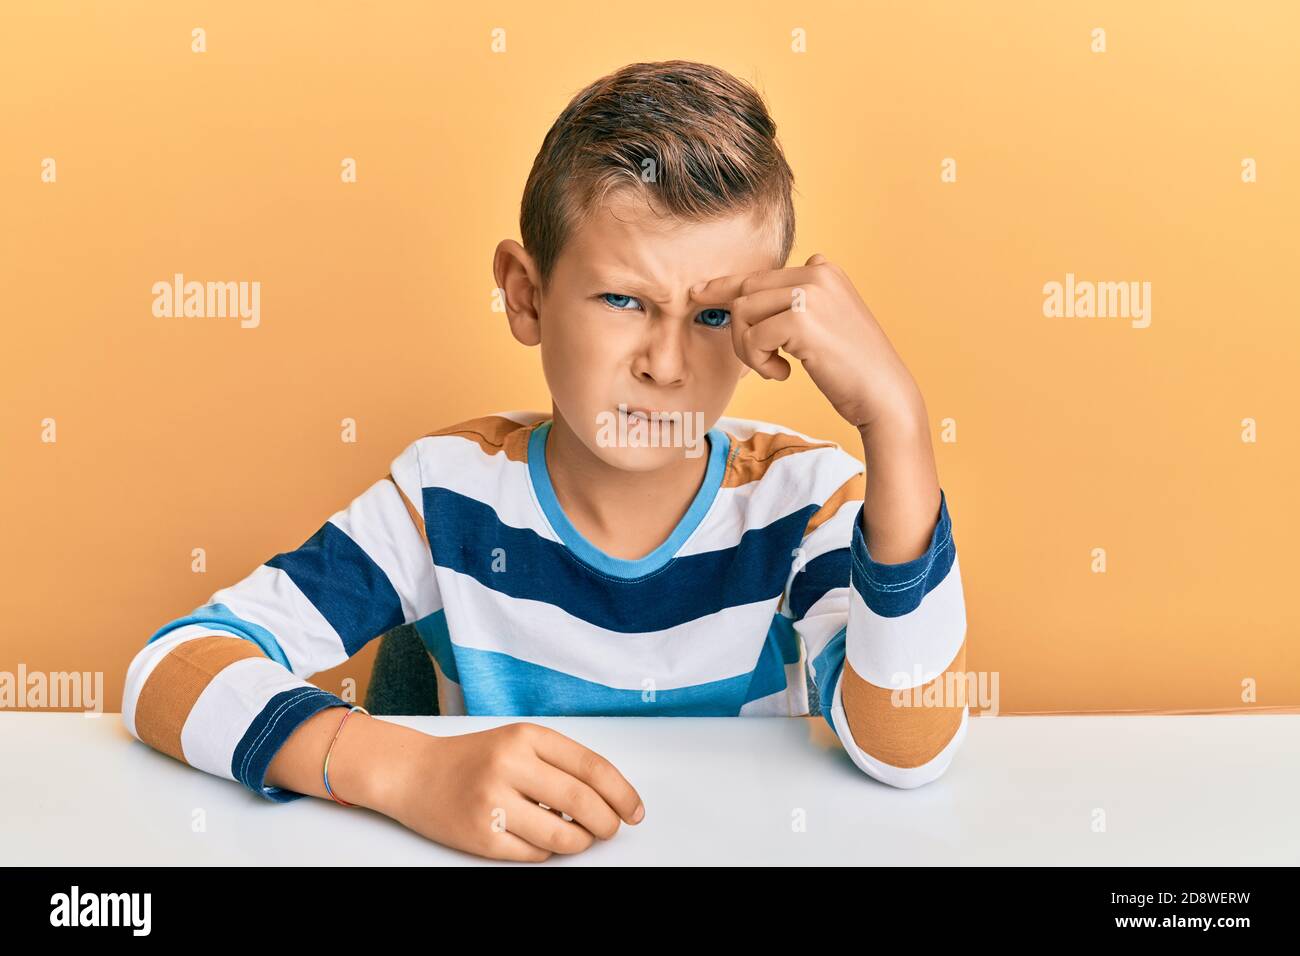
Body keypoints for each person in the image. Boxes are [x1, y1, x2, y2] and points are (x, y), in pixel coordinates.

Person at [122, 59, 968, 862]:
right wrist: (409, 771)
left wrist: (896, 423)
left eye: (713, 317)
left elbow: (907, 750)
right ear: (525, 294)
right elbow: (173, 668)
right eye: (622, 300)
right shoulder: (446, 495)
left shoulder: (803, 504)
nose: (665, 366)